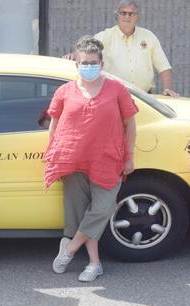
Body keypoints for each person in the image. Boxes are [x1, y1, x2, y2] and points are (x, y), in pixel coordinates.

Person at [44, 36, 139, 283]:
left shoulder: (116, 89)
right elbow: (54, 123)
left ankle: (70, 249)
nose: (88, 66)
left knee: (102, 209)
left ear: (102, 62)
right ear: (76, 63)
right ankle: (94, 263)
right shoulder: (64, 91)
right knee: (78, 213)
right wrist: (53, 152)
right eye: (84, 62)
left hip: (108, 159)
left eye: (93, 62)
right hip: (73, 160)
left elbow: (130, 124)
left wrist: (130, 156)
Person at [92, 0, 177, 97]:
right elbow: (85, 50)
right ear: (117, 15)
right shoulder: (104, 36)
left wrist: (168, 90)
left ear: (138, 17)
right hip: (113, 98)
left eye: (131, 13)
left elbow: (164, 67)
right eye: (123, 13)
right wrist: (74, 55)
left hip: (145, 98)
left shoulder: (148, 36)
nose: (127, 17)